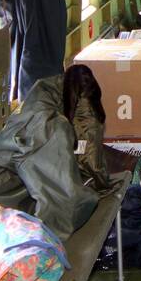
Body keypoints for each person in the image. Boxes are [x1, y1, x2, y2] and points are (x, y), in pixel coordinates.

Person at [62, 63, 111, 193]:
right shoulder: (91, 109)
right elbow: (93, 162)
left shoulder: (80, 114)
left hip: (81, 183)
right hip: (87, 182)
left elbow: (90, 160)